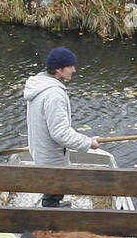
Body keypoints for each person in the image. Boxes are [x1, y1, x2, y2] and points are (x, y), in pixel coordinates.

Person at [23, 46, 101, 207]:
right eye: (70, 66)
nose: (74, 69)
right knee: (53, 192)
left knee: (53, 190)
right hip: (51, 157)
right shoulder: (54, 94)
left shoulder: (40, 84)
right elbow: (60, 133)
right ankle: (52, 219)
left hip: (41, 151)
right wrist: (88, 143)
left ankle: (53, 207)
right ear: (59, 70)